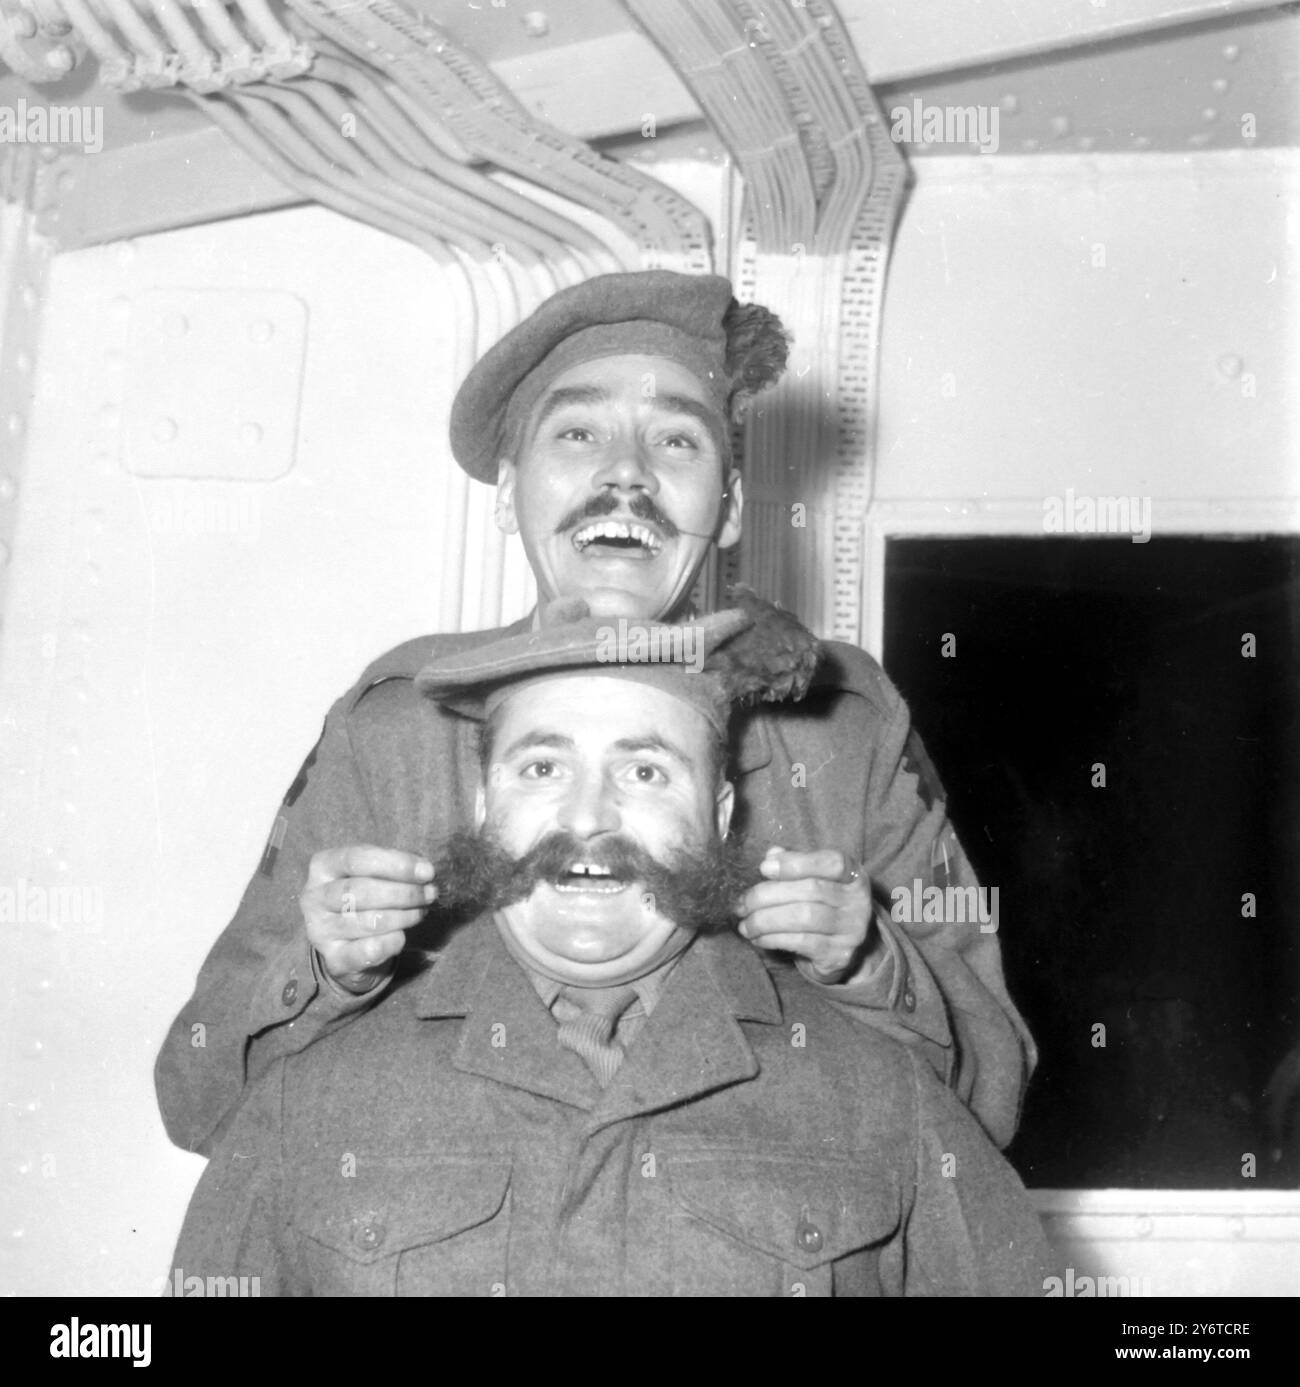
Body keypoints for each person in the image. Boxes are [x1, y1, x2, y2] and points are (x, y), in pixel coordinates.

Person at [155, 271, 1034, 1157]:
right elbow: (198, 1099)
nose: (626, 475)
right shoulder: (393, 726)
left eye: (677, 442)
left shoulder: (841, 730)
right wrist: (323, 966)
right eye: (578, 433)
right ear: (507, 493)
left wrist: (870, 959)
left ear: (726, 512)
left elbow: (993, 1100)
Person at [168, 601, 1053, 1296]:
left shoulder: (885, 1095)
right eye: (543, 767)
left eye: (645, 771)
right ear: (484, 809)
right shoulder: (306, 1097)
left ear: (719, 819)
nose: (588, 815)